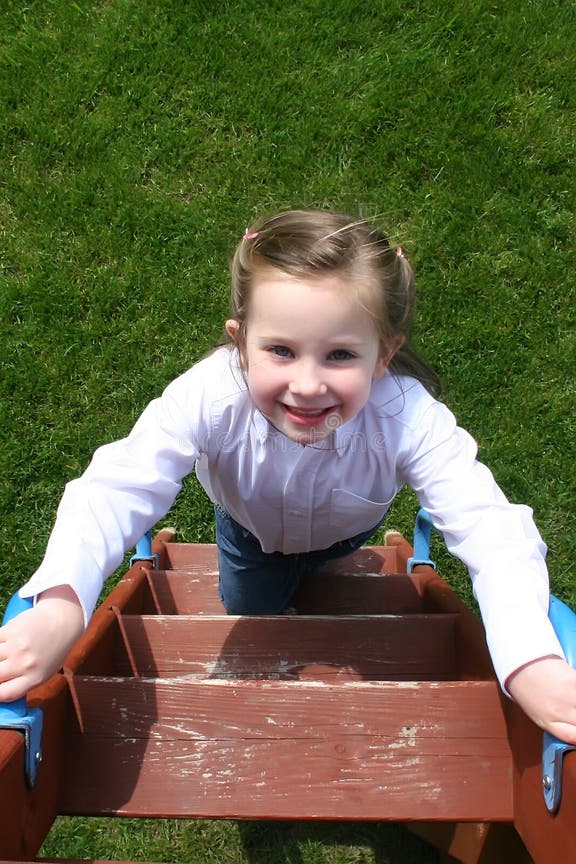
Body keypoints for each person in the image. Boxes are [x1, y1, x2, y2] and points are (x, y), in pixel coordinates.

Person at [1, 208, 575, 742]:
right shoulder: (209, 395)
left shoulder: (408, 417)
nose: (307, 384)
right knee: (250, 610)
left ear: (384, 355)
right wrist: (60, 603)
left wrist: (530, 660)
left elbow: (489, 525)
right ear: (240, 345)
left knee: (330, 573)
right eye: (280, 349)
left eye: (340, 355)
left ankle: (320, 567)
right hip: (248, 536)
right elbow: (118, 486)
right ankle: (279, 592)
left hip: (346, 532)